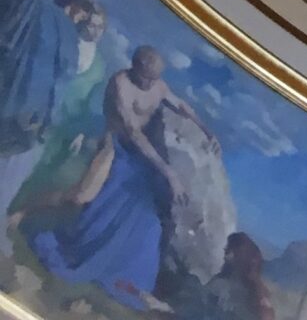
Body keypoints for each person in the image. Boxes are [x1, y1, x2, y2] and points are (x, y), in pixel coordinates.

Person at [25, 43, 210, 305]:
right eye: (146, 77)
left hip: (139, 157)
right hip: (115, 145)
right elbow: (133, 133)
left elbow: (180, 105)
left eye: (154, 78)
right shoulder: (120, 84)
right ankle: (25, 210)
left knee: (148, 222)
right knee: (80, 196)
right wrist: (169, 173)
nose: (149, 83)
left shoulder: (158, 87)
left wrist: (207, 131)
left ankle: (131, 281)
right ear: (136, 68)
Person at [0, 0, 101, 218]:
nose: (80, 13)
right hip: (10, 104)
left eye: (84, 9)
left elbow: (63, 82)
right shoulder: (40, 7)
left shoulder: (73, 40)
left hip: (34, 127)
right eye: (79, 4)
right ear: (70, 0)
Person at [207, 230, 275, 320]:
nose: (226, 255)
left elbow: (267, 313)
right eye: (227, 250)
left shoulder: (257, 293)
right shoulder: (219, 282)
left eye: (231, 251)